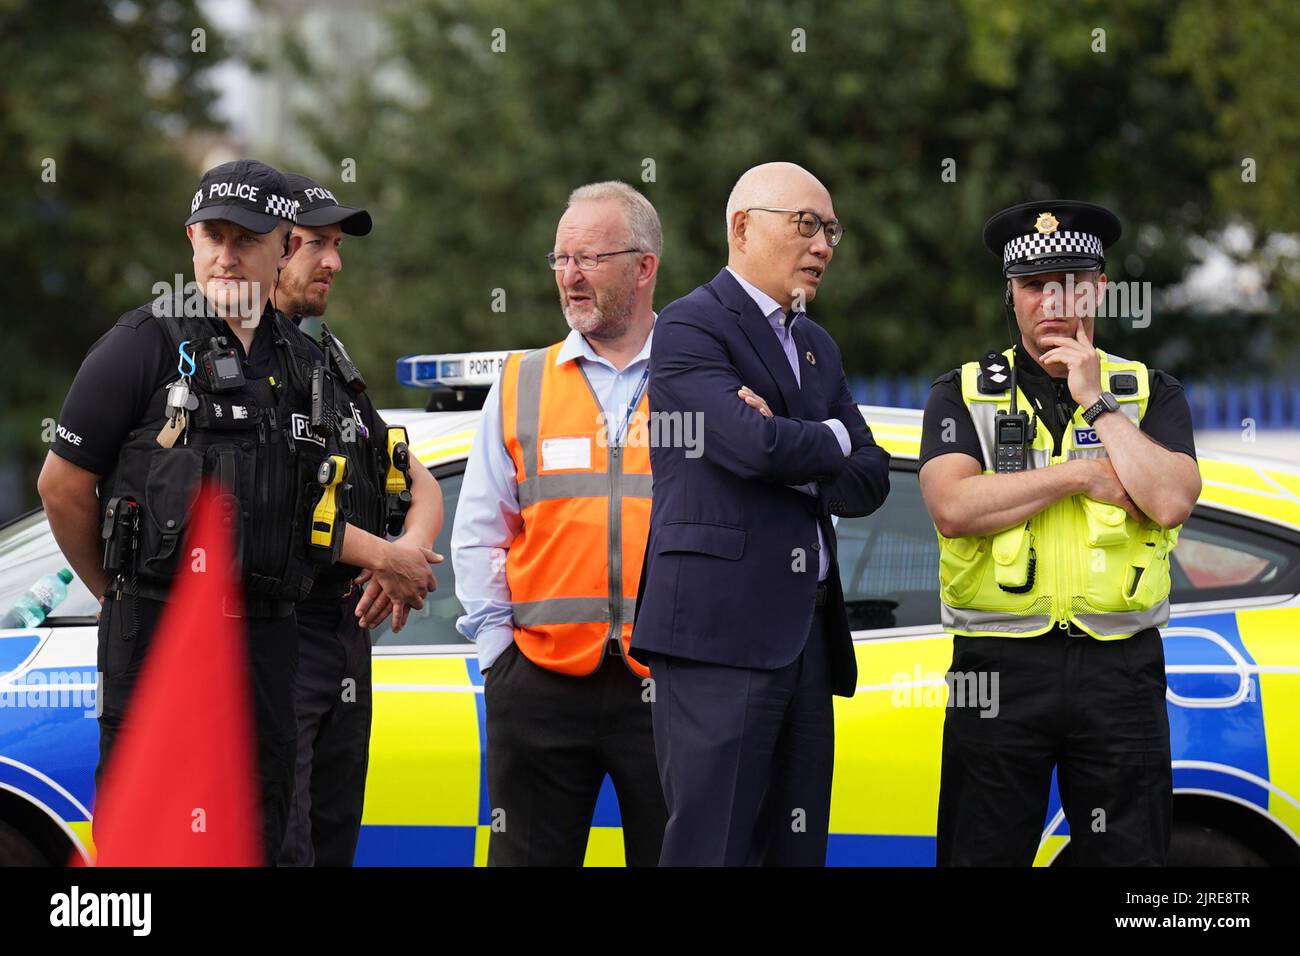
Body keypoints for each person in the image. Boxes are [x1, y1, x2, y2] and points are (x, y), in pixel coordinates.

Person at [37, 159, 435, 864]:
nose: (225, 255)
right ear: (190, 240)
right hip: (157, 642)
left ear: (280, 247)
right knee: (151, 842)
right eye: (211, 236)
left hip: (268, 642)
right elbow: (62, 487)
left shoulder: (308, 367)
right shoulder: (143, 345)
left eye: (244, 239)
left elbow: (326, 500)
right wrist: (113, 592)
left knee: (262, 831)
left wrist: (390, 547)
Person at [919, 200, 1201, 866]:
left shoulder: (1146, 393)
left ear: (1098, 288)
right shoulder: (960, 393)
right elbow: (953, 507)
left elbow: (1170, 499)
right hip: (995, 668)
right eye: (1034, 286)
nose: (1052, 301)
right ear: (1011, 296)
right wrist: (1077, 479)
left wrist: (1095, 402)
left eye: (1069, 284)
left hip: (1120, 666)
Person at [629, 162, 891, 866]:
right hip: (719, 634)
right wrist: (820, 440)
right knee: (712, 849)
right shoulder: (689, 325)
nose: (824, 245)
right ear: (742, 228)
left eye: (831, 229)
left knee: (795, 852)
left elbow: (870, 477)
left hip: (805, 637)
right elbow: (752, 446)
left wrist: (796, 442)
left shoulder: (816, 343)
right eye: (805, 224)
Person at [452, 181, 668, 866]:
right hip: (539, 683)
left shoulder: (696, 377)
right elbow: (480, 529)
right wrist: (497, 656)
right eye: (560, 259)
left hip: (668, 682)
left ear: (643, 265)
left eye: (589, 258)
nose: (569, 276)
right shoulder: (521, 381)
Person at [274, 173, 444, 867]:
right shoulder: (236, 361)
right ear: (273, 247)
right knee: (285, 848)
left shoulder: (327, 361)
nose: (335, 263)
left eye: (338, 245)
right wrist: (382, 556)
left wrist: (407, 550)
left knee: (329, 843)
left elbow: (421, 481)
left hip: (347, 636)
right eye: (318, 244)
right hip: (278, 635)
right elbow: (266, 513)